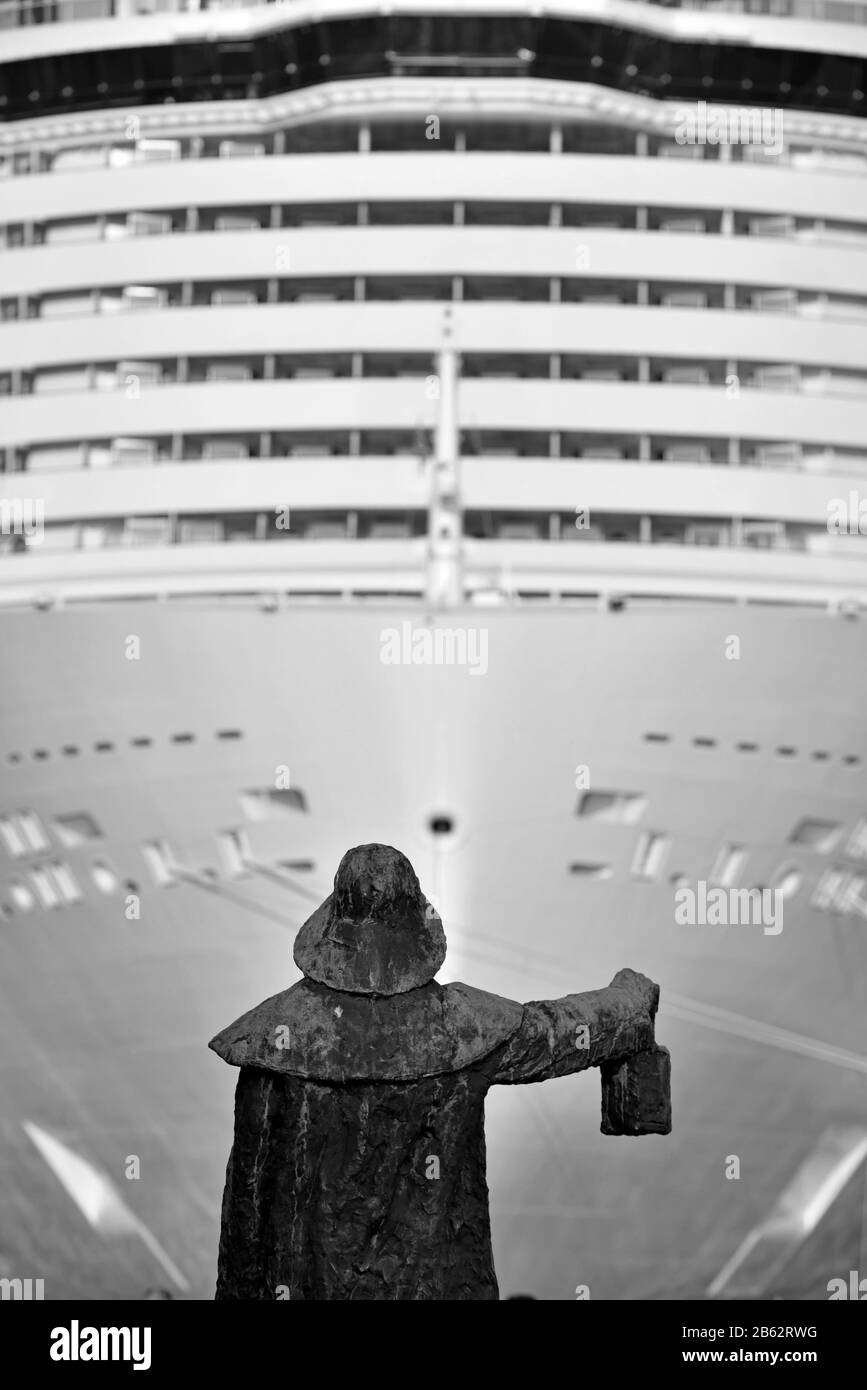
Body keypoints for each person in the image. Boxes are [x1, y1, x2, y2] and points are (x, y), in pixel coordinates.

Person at [211, 843, 664, 1300]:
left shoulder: (273, 1036)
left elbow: (247, 1202)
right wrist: (628, 1004)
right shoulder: (463, 1027)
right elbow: (556, 1033)